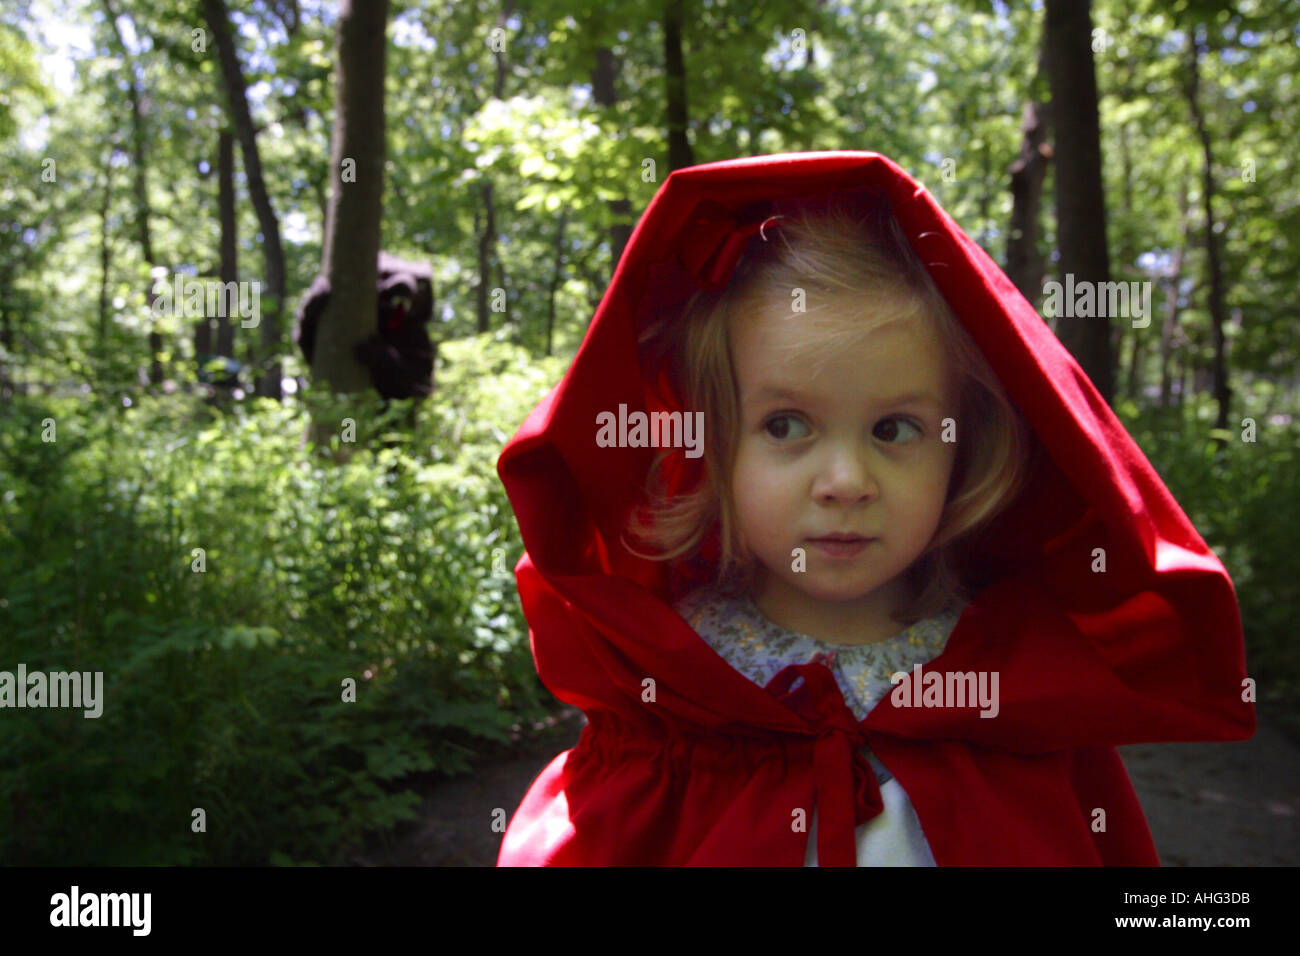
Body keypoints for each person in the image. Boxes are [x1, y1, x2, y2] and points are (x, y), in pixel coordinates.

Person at [494, 151, 1255, 866]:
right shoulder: (661, 706)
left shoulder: (1021, 693)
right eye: (785, 425)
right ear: (714, 447)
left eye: (895, 429)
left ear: (962, 450)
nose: (846, 480)